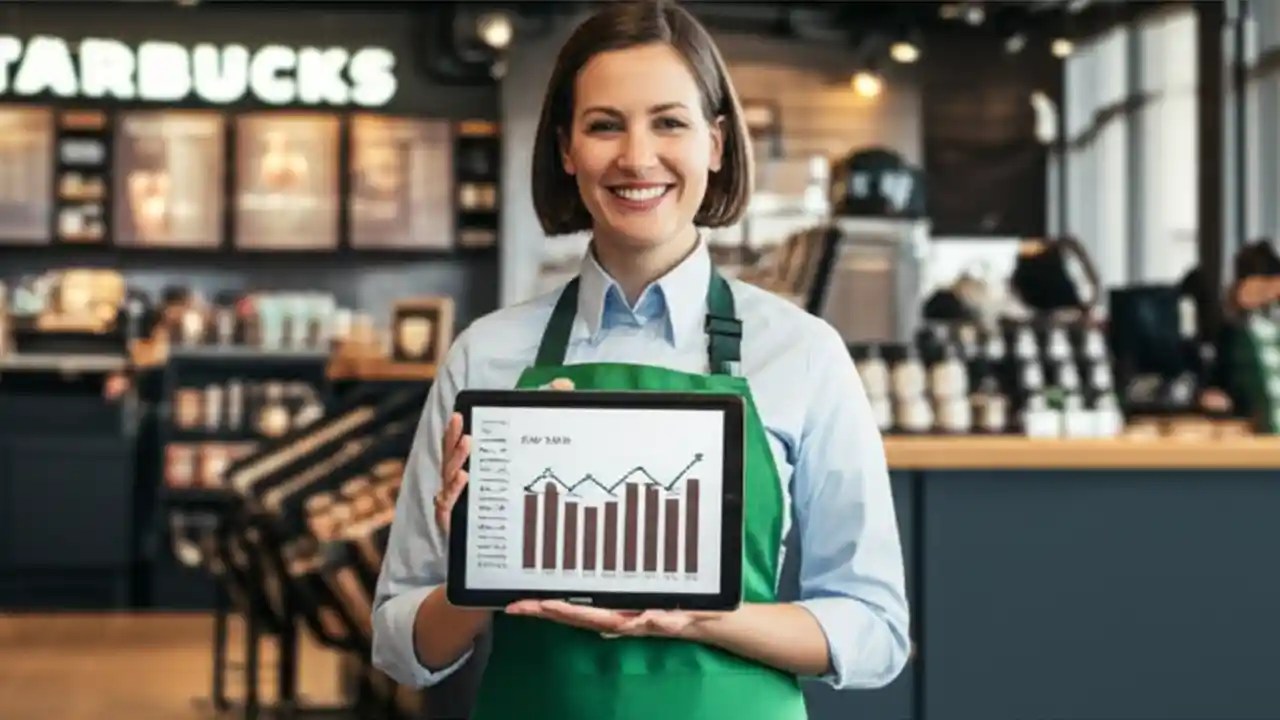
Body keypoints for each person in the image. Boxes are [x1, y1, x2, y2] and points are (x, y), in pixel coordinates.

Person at [371, 2, 911, 718]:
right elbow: (398, 643)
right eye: (604, 125)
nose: (636, 157)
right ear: (566, 150)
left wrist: (703, 617)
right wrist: (485, 568)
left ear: (715, 143)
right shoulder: (486, 354)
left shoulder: (803, 353)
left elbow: (875, 631)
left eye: (669, 123)